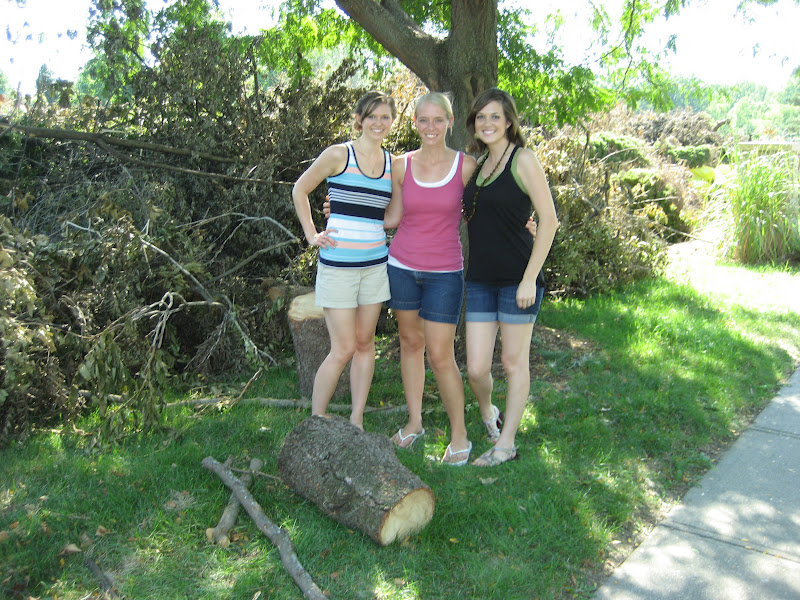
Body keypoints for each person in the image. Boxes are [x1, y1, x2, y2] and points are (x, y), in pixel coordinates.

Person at [462, 88, 559, 467]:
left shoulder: (524, 159)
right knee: (476, 369)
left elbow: (549, 220)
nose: (487, 123)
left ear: (509, 122)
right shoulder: (479, 165)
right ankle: (489, 412)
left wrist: (528, 279)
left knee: (515, 362)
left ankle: (506, 444)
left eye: (495, 117)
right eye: (481, 117)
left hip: (519, 279)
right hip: (481, 279)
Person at [291, 91, 397, 430]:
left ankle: (356, 421)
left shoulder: (393, 164)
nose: (378, 123)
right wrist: (311, 234)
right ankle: (317, 422)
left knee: (366, 344)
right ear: (359, 120)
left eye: (385, 117)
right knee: (343, 348)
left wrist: (369, 223)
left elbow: (396, 212)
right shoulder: (339, 155)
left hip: (375, 265)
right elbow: (300, 189)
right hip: (338, 267)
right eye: (372, 116)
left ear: (391, 121)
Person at [383, 92, 477, 465]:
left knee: (440, 355)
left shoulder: (466, 166)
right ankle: (415, 422)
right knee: (410, 343)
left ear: (450, 122)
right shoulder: (401, 166)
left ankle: (460, 437)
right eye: (424, 120)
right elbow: (391, 216)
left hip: (444, 273)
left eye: (439, 120)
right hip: (402, 266)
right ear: (415, 123)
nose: (431, 127)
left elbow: (482, 214)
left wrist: (524, 227)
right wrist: (344, 215)